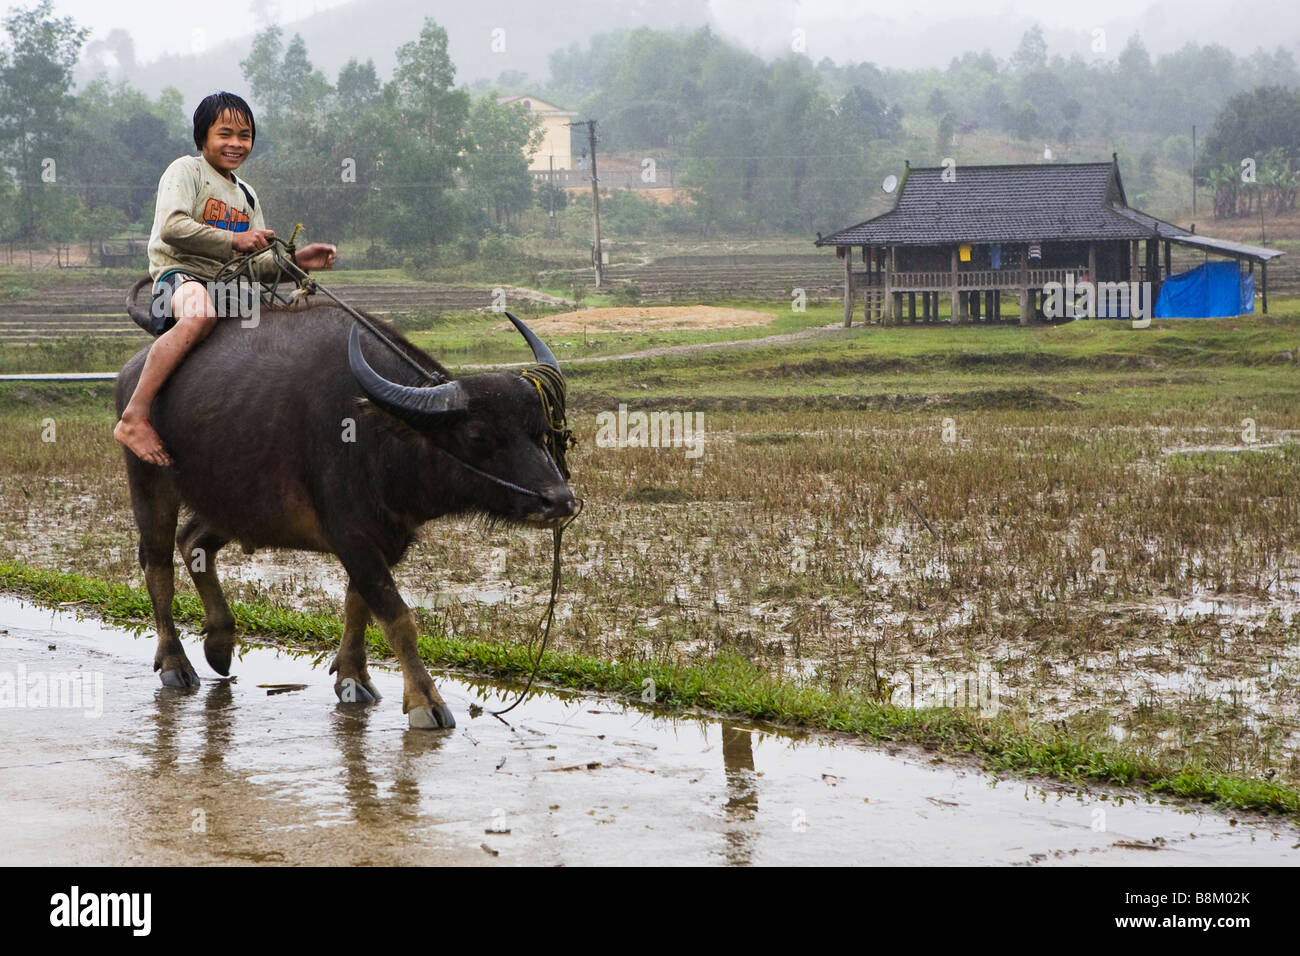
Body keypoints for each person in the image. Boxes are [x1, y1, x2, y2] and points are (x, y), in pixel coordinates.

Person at [114, 91, 337, 467]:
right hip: (179, 276)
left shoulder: (246, 195)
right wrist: (234, 239)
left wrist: (297, 262)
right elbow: (171, 226)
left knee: (275, 340)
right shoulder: (186, 171)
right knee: (200, 314)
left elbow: (259, 263)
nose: (236, 143)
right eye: (225, 133)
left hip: (230, 287)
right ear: (203, 138)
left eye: (245, 135)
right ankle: (134, 416)